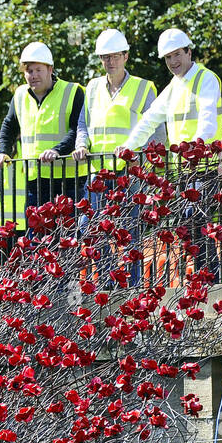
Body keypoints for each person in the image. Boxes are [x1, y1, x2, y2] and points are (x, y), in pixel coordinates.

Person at [118, 28, 222, 277]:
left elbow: (208, 121)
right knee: (191, 224)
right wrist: (129, 146)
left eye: (177, 54)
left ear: (189, 51)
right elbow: (149, 120)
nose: (173, 62)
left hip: (210, 164)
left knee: (198, 220)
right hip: (186, 168)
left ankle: (209, 277)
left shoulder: (206, 79)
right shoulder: (173, 87)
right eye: (168, 58)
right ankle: (206, 277)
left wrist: (196, 146)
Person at [72, 28, 160, 287]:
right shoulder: (92, 87)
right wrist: (81, 145)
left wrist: (143, 160)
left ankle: (132, 286)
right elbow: (83, 125)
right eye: (104, 58)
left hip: (129, 172)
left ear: (125, 56)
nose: (109, 62)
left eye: (114, 56)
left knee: (129, 231)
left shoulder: (144, 88)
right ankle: (109, 279)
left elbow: (157, 131)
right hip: (98, 172)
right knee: (91, 226)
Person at [0, 42, 86, 238]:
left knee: (68, 239)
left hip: (68, 179)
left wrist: (58, 150)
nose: (33, 75)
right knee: (37, 240)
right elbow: (9, 126)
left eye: (38, 70)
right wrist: (3, 151)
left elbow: (77, 128)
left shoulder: (73, 91)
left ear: (50, 69)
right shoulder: (19, 95)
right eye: (29, 71)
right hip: (35, 179)